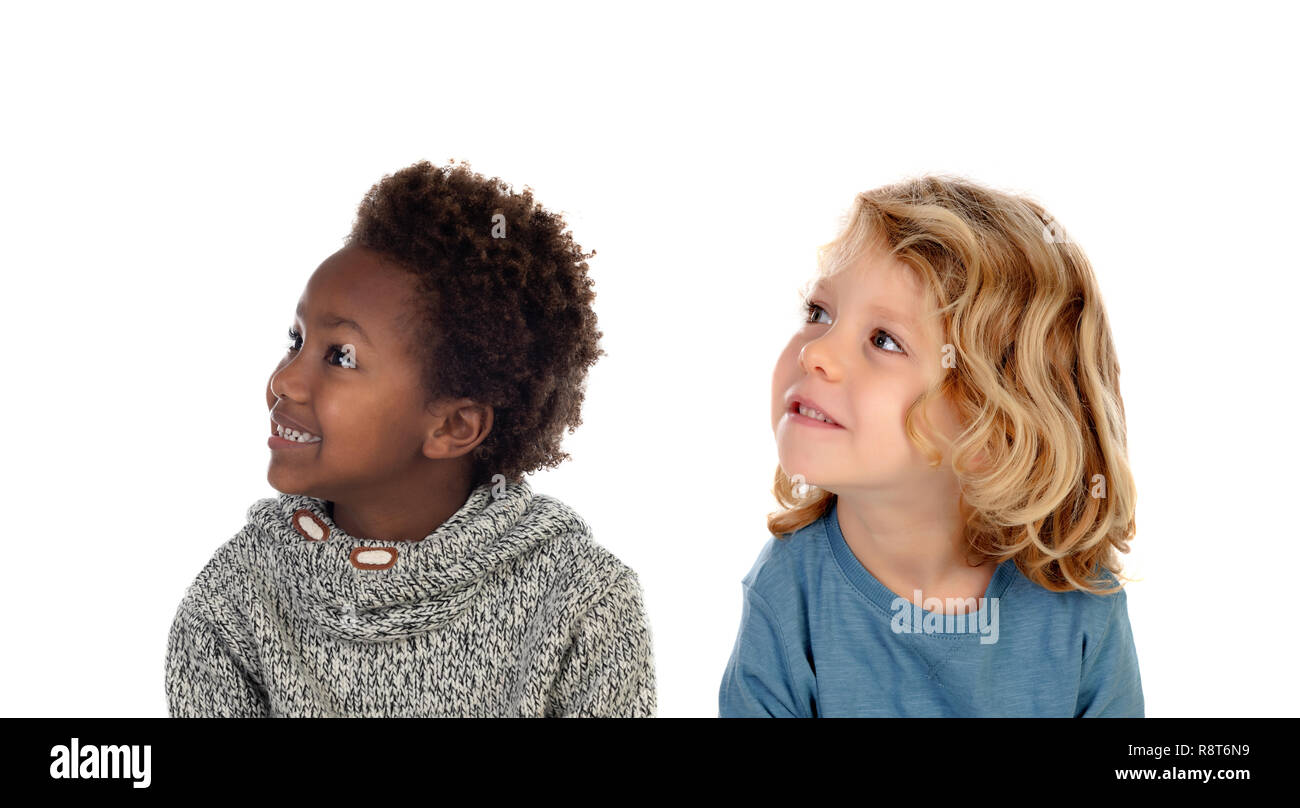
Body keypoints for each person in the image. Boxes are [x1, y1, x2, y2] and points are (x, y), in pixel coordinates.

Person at [166, 160, 656, 717]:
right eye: (295, 340)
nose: (284, 382)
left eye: (340, 356)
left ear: (453, 426)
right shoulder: (234, 598)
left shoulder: (584, 604)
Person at [719, 175, 1143, 717]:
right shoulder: (789, 593)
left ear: (994, 431)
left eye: (884, 340)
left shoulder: (1080, 601)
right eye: (819, 313)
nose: (815, 353)